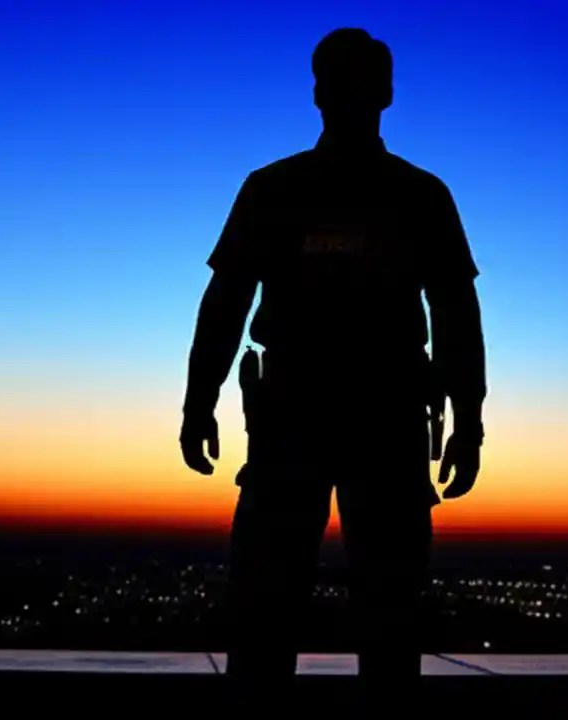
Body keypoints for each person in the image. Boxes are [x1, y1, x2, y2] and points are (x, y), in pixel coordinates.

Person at [179, 27, 486, 698]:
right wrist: (469, 419)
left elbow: (458, 311)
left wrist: (198, 403)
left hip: (348, 417)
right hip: (324, 418)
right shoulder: (404, 193)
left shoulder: (290, 189)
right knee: (307, 601)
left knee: (343, 604)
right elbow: (225, 300)